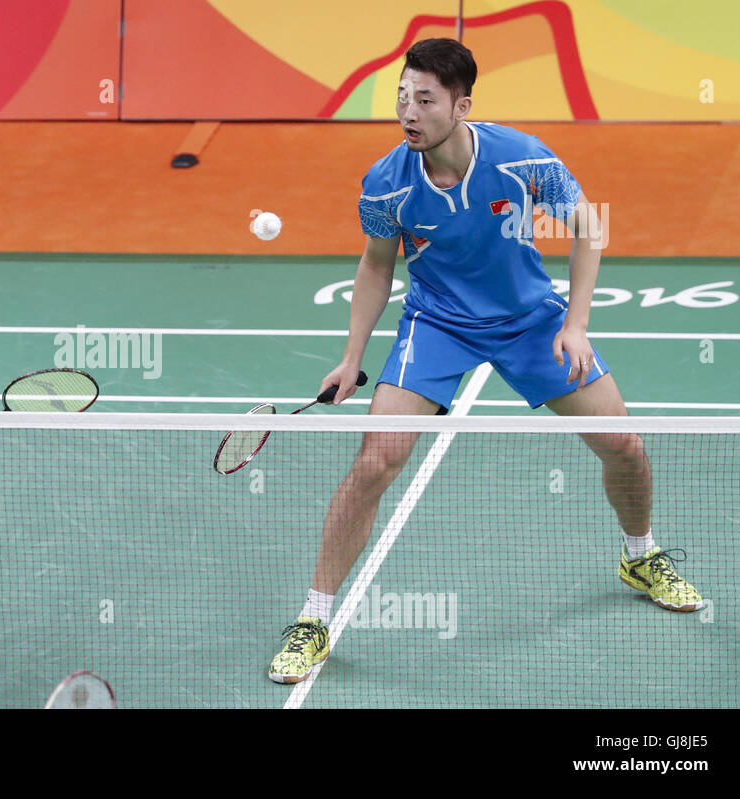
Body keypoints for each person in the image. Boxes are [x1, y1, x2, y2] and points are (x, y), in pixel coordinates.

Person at [268, 39, 702, 685]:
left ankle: (640, 553)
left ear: (461, 104)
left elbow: (587, 227)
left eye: (424, 99)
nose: (407, 112)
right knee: (375, 461)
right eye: (401, 95)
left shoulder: (522, 158)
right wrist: (351, 357)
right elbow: (377, 264)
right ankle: (313, 617)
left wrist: (576, 324)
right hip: (438, 322)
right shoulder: (387, 181)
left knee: (625, 444)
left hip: (531, 321)